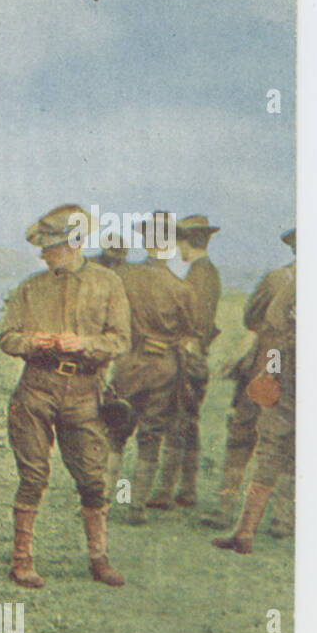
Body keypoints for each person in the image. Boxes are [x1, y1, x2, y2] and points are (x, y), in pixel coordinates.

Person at [0, 204, 130, 588]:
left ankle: (99, 559)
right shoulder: (30, 288)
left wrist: (84, 343)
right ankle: (21, 560)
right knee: (33, 475)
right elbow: (6, 337)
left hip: (85, 392)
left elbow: (121, 340)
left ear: (73, 244)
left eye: (50, 247)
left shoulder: (108, 284)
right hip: (36, 388)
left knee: (92, 478)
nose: (42, 254)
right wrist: (31, 342)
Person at [108, 212, 202, 525]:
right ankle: (136, 508)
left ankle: (102, 503)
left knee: (115, 435)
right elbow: (189, 332)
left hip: (127, 365)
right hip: (163, 369)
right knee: (151, 437)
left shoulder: (122, 276)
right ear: (171, 245)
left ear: (145, 241)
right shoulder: (182, 289)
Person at [201, 228, 296, 533]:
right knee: (292, 442)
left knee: (243, 435)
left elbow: (253, 321)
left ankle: (226, 508)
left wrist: (237, 359)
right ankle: (284, 519)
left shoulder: (277, 280)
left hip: (267, 367)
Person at [154, 215, 222, 508]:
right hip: (196, 357)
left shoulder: (200, 274)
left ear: (187, 242)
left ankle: (166, 491)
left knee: (178, 422)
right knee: (188, 424)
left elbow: (196, 323)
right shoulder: (206, 272)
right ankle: (186, 489)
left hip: (188, 358)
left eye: (179, 240)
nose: (177, 247)